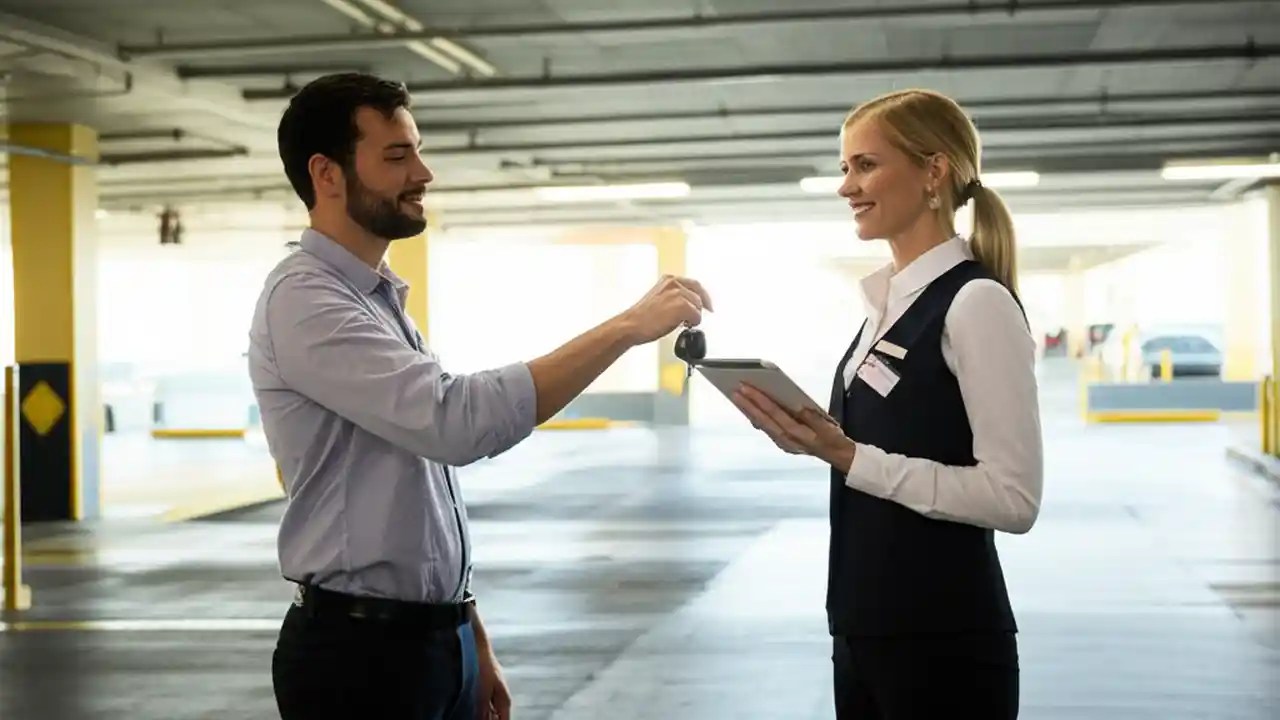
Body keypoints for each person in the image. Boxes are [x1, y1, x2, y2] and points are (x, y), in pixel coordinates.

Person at [247, 72, 713, 720]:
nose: (424, 172)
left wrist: (467, 630)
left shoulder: (375, 298)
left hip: (431, 641)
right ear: (326, 175)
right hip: (360, 660)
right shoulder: (306, 300)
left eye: (416, 149)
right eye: (396, 155)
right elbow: (455, 424)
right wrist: (625, 329)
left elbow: (421, 490)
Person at [730, 88, 1044, 718]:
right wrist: (812, 437)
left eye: (865, 165)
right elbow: (884, 447)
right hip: (864, 629)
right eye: (845, 168)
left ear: (934, 172)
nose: (847, 186)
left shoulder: (974, 303)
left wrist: (849, 456)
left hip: (944, 644)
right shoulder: (884, 308)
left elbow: (1013, 500)